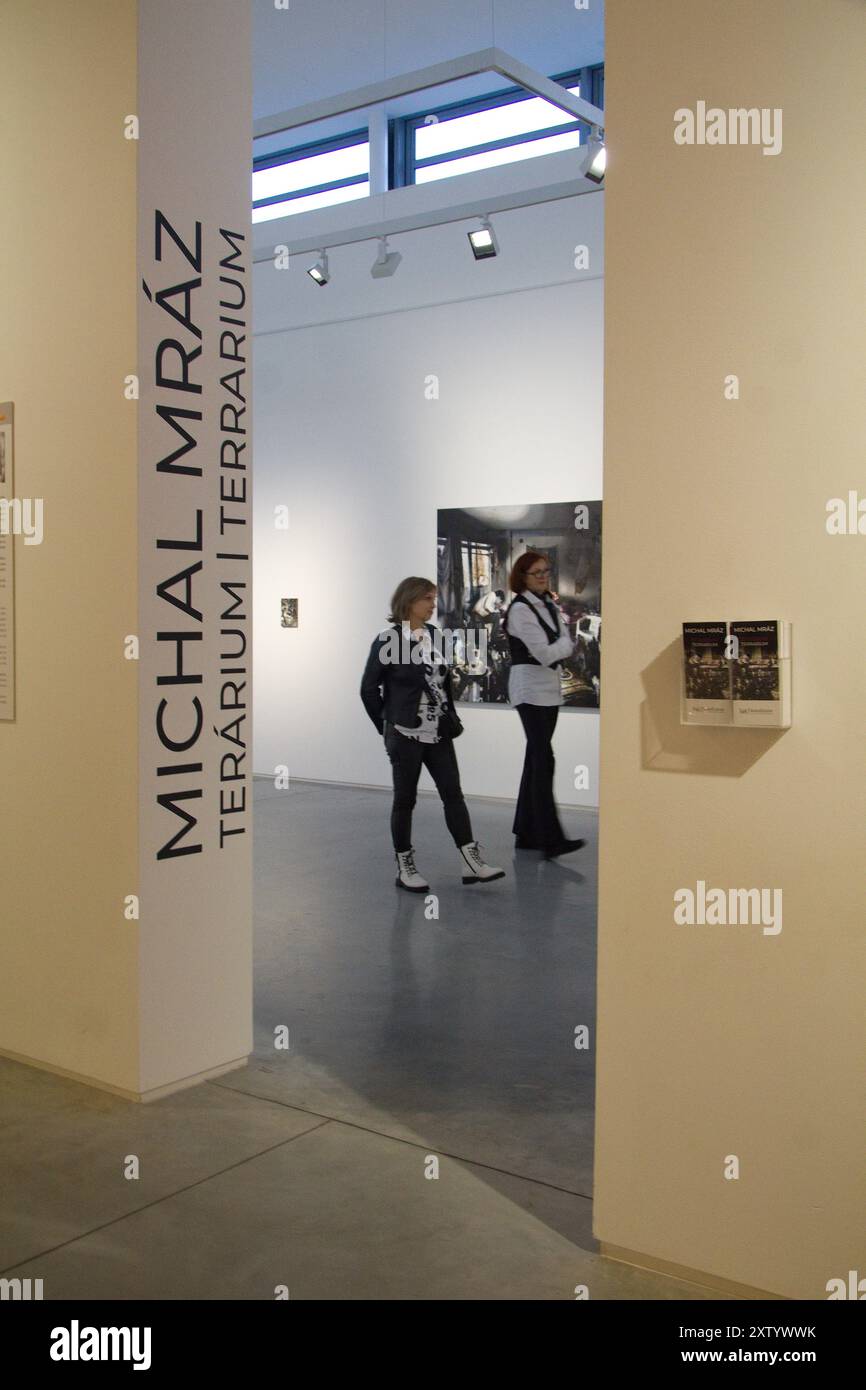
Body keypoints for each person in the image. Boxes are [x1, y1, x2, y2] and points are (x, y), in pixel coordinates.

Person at [360, 576, 505, 893]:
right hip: (405, 734)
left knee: (453, 795)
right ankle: (405, 865)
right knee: (405, 800)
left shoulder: (436, 636)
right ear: (409, 600)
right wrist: (387, 725)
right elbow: (368, 689)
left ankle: (471, 861)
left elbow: (442, 684)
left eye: (433, 598)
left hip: (438, 732)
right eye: (427, 598)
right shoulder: (389, 641)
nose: (432, 603)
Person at [502, 552, 586, 859]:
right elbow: (548, 652)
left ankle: (526, 832)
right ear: (522, 577)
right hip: (530, 689)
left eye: (545, 571)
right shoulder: (520, 610)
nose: (542, 576)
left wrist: (563, 644)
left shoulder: (547, 604)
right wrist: (565, 645)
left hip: (548, 690)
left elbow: (561, 643)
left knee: (536, 758)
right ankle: (551, 838)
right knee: (543, 759)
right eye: (535, 572)